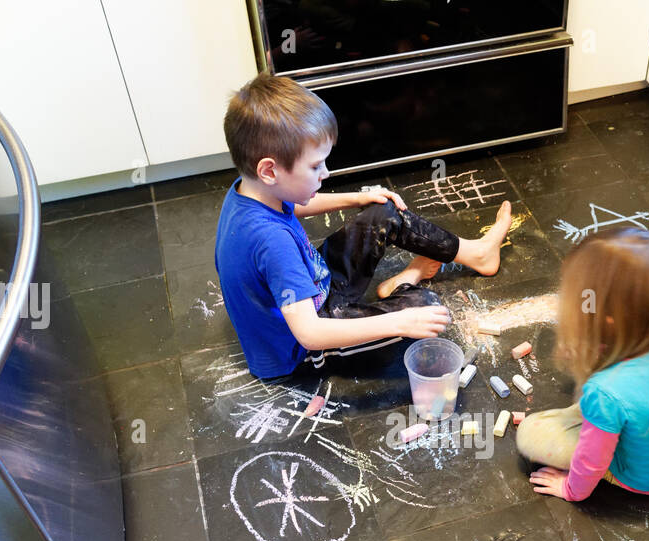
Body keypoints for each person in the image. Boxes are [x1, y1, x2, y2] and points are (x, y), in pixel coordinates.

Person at [216, 73, 514, 379]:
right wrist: (399, 323)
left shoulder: (252, 188)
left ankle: (476, 253)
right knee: (425, 308)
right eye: (315, 166)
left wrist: (358, 199)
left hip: (315, 286)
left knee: (383, 211)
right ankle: (405, 283)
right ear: (269, 170)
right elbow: (310, 333)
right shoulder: (272, 243)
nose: (326, 172)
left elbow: (297, 202)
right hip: (301, 350)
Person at [517, 226, 649, 501]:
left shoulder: (605, 391)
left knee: (530, 433)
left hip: (645, 477)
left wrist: (570, 489)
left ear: (608, 320)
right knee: (615, 405)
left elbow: (592, 461)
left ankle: (609, 442)